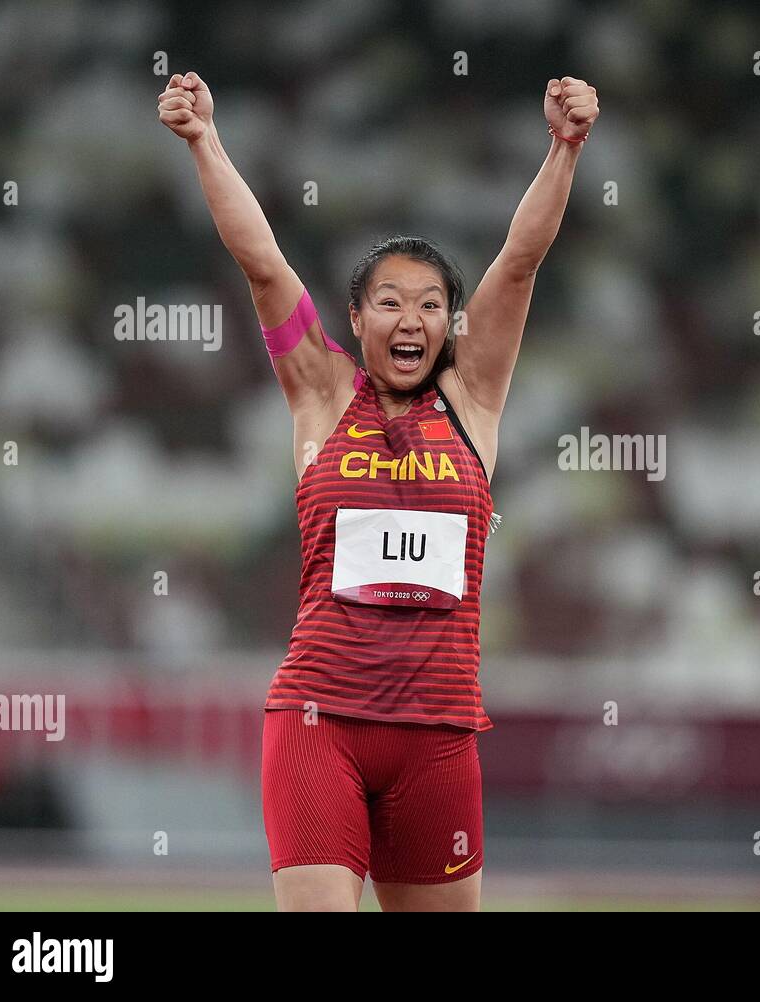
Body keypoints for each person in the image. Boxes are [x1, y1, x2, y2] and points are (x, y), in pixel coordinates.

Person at [158, 69, 598, 911]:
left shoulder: (475, 402)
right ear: (354, 321)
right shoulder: (319, 393)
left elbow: (521, 260)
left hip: (437, 736)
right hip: (319, 722)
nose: (410, 320)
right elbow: (261, 265)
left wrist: (566, 149)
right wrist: (204, 141)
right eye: (388, 302)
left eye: (431, 305)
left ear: (450, 325)